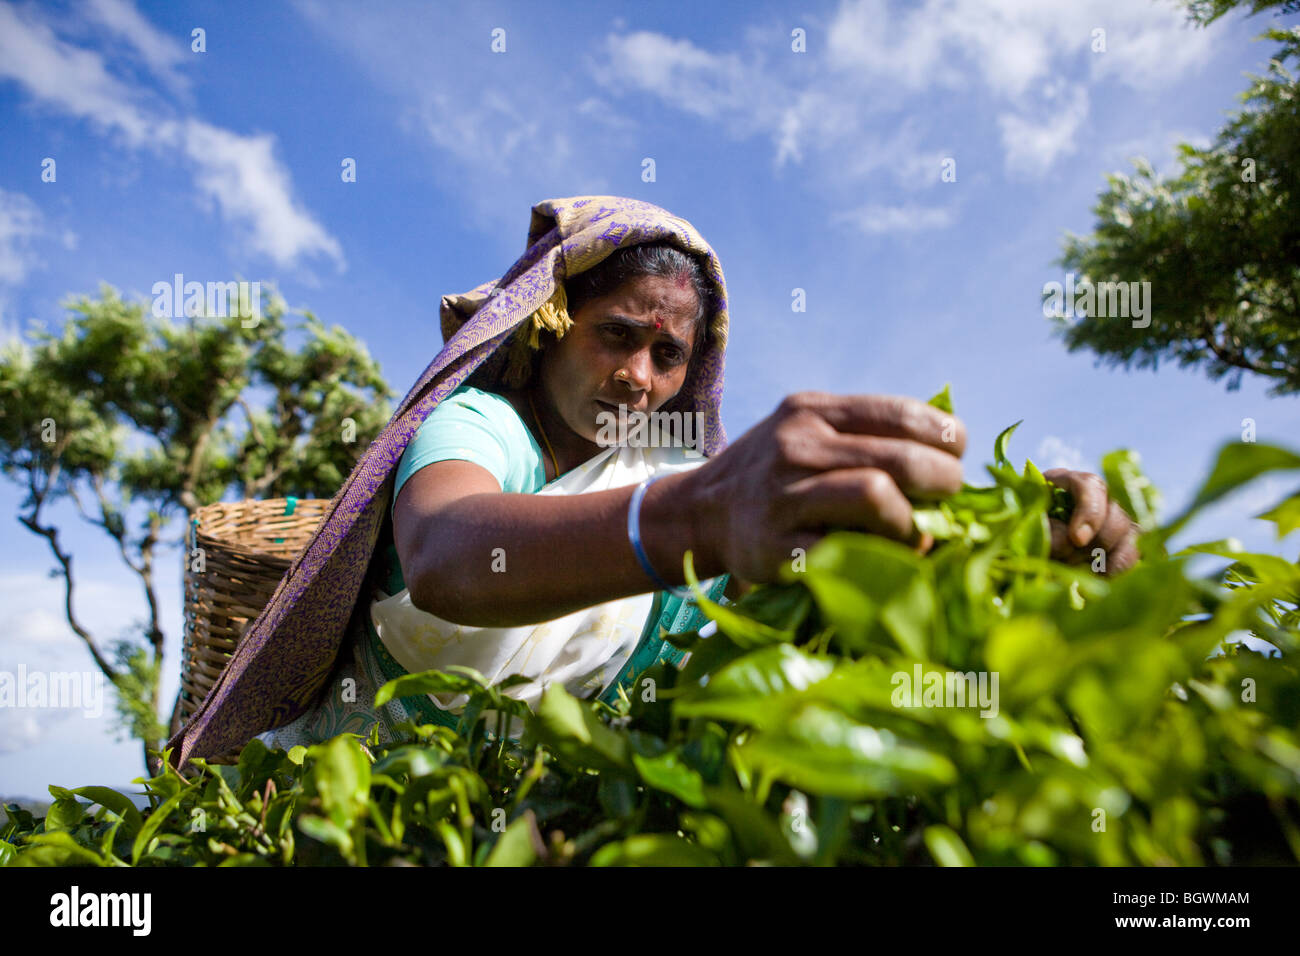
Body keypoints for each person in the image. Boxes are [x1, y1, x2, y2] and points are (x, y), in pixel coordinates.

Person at [170, 195, 1140, 766]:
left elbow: (789, 593)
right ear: (551, 328)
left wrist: (1006, 538)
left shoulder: (661, 476)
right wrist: (700, 514)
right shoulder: (484, 426)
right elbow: (449, 552)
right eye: (615, 337)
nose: (638, 376)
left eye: (667, 353)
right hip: (364, 810)